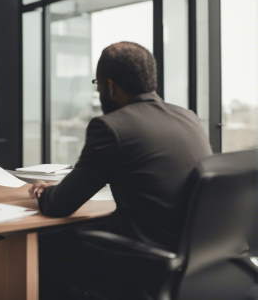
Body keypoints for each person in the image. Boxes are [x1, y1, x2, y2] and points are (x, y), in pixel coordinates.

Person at [29, 42, 212, 299]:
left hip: (149, 256)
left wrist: (43, 193)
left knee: (47, 241)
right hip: (197, 254)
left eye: (99, 84)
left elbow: (59, 206)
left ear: (111, 87)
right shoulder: (187, 117)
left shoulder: (111, 126)